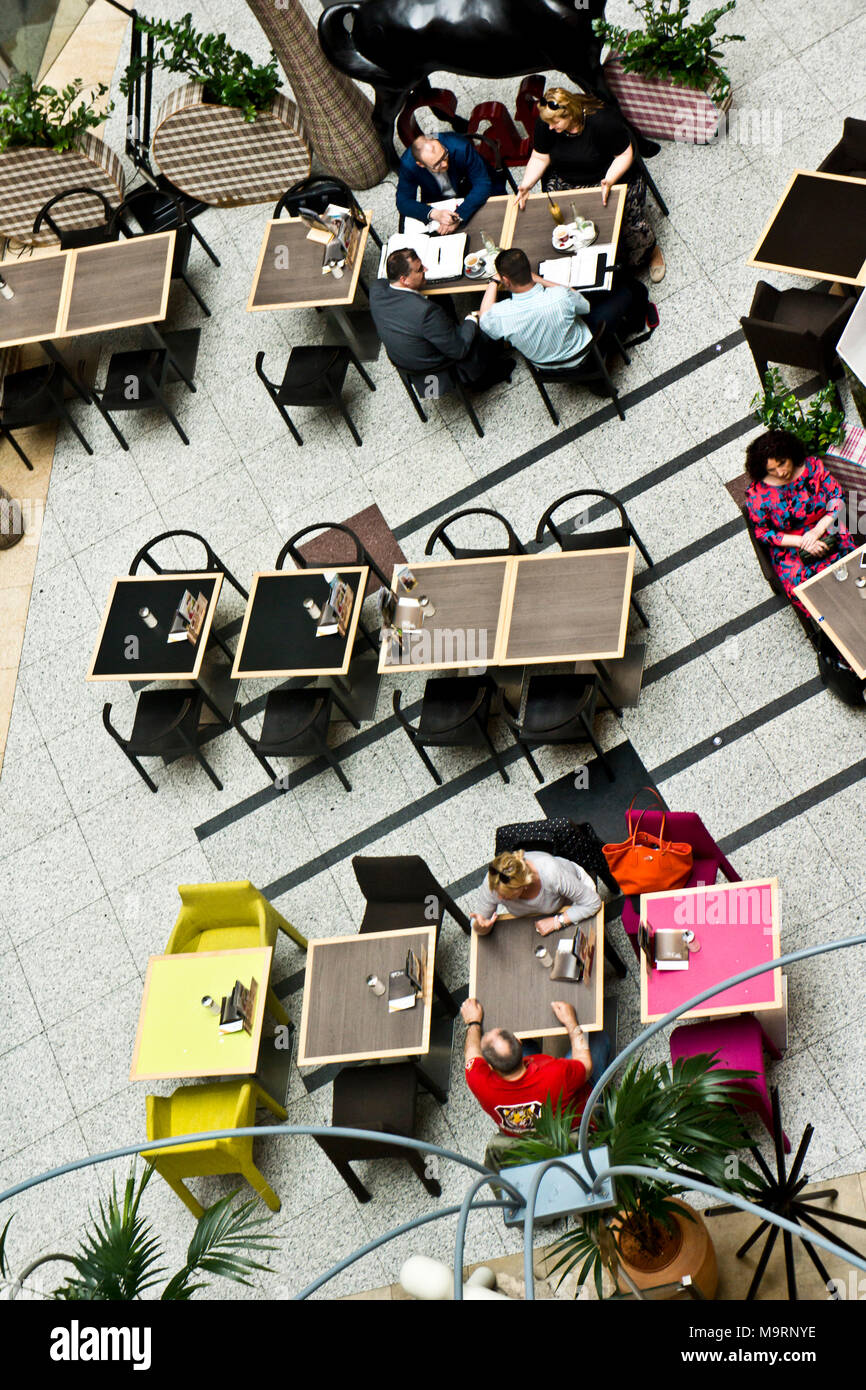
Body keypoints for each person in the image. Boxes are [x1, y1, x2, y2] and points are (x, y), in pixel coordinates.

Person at [516, 86, 665, 282]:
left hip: (608, 178)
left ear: (570, 114)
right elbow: (540, 157)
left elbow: (624, 154)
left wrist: (609, 179)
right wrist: (526, 184)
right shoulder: (547, 123)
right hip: (567, 179)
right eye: (548, 123)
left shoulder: (601, 121)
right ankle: (591, 261)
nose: (550, 127)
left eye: (556, 122)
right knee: (558, 219)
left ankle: (650, 251)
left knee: (627, 219)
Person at [461, 996, 611, 1171]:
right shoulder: (555, 1073)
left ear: (489, 1066)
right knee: (598, 1038)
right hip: (574, 1128)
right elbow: (586, 1065)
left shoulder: (479, 1083)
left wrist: (473, 1023)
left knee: (527, 1048)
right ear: (518, 1041)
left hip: (529, 1143)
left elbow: (471, 1051)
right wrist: (571, 1023)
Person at [477, 247, 653, 370]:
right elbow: (585, 306)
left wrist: (493, 281)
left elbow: (484, 317)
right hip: (582, 355)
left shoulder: (501, 315)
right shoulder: (560, 296)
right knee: (628, 289)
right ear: (529, 268)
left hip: (544, 366)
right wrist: (541, 280)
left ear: (506, 280)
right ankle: (633, 324)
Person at [744, 429, 856, 612]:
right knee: (808, 589)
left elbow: (836, 498)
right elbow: (762, 532)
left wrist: (816, 532)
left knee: (852, 565)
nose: (780, 473)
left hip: (825, 526)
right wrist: (802, 542)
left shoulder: (813, 467)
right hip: (790, 545)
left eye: (782, 463)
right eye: (772, 470)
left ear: (791, 454)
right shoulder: (758, 493)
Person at [369, 247, 513, 388]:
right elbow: (459, 349)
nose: (425, 269)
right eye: (419, 270)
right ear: (404, 279)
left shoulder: (377, 288)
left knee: (440, 299)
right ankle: (483, 374)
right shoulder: (425, 312)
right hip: (435, 366)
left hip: (405, 358)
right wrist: (472, 318)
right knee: (481, 323)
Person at [470, 847, 601, 937]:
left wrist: (556, 922)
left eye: (505, 896)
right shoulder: (494, 882)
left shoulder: (551, 874)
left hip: (573, 902)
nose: (498, 898)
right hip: (537, 917)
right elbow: (479, 923)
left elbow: (592, 903)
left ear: (524, 886)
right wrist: (481, 927)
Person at [396, 133, 494, 232]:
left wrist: (458, 216)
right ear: (421, 165)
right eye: (437, 164)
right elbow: (403, 202)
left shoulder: (460, 147)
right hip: (437, 200)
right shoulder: (408, 165)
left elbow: (482, 183)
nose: (444, 164)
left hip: (468, 193)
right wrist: (434, 214)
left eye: (444, 155)